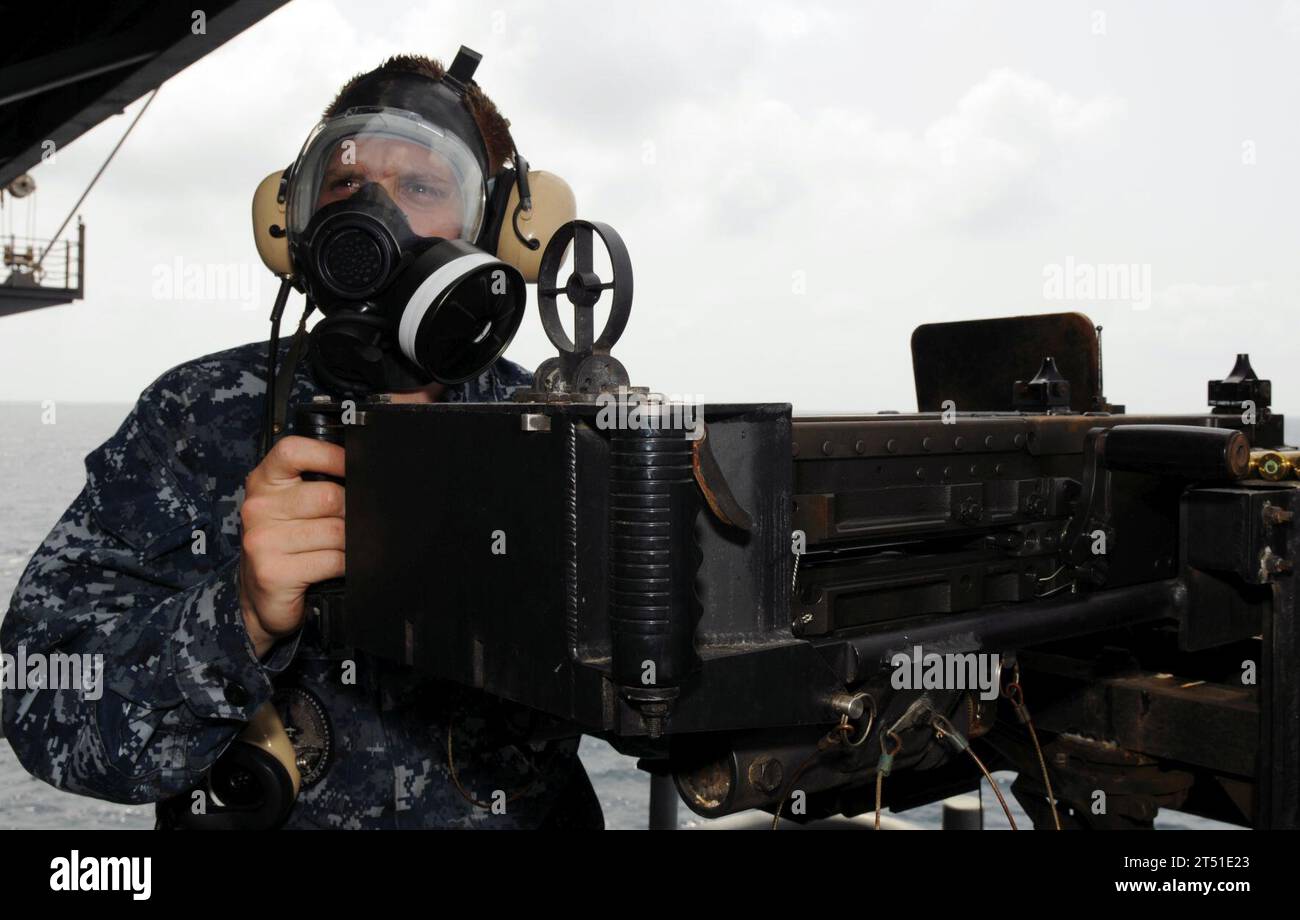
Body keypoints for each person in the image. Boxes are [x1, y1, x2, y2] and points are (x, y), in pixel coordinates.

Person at [1, 52, 603, 829]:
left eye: (420, 187)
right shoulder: (194, 416)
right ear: (295, 221)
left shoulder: (554, 424)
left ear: (494, 228)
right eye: (347, 184)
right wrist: (239, 617)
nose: (373, 215)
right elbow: (40, 693)